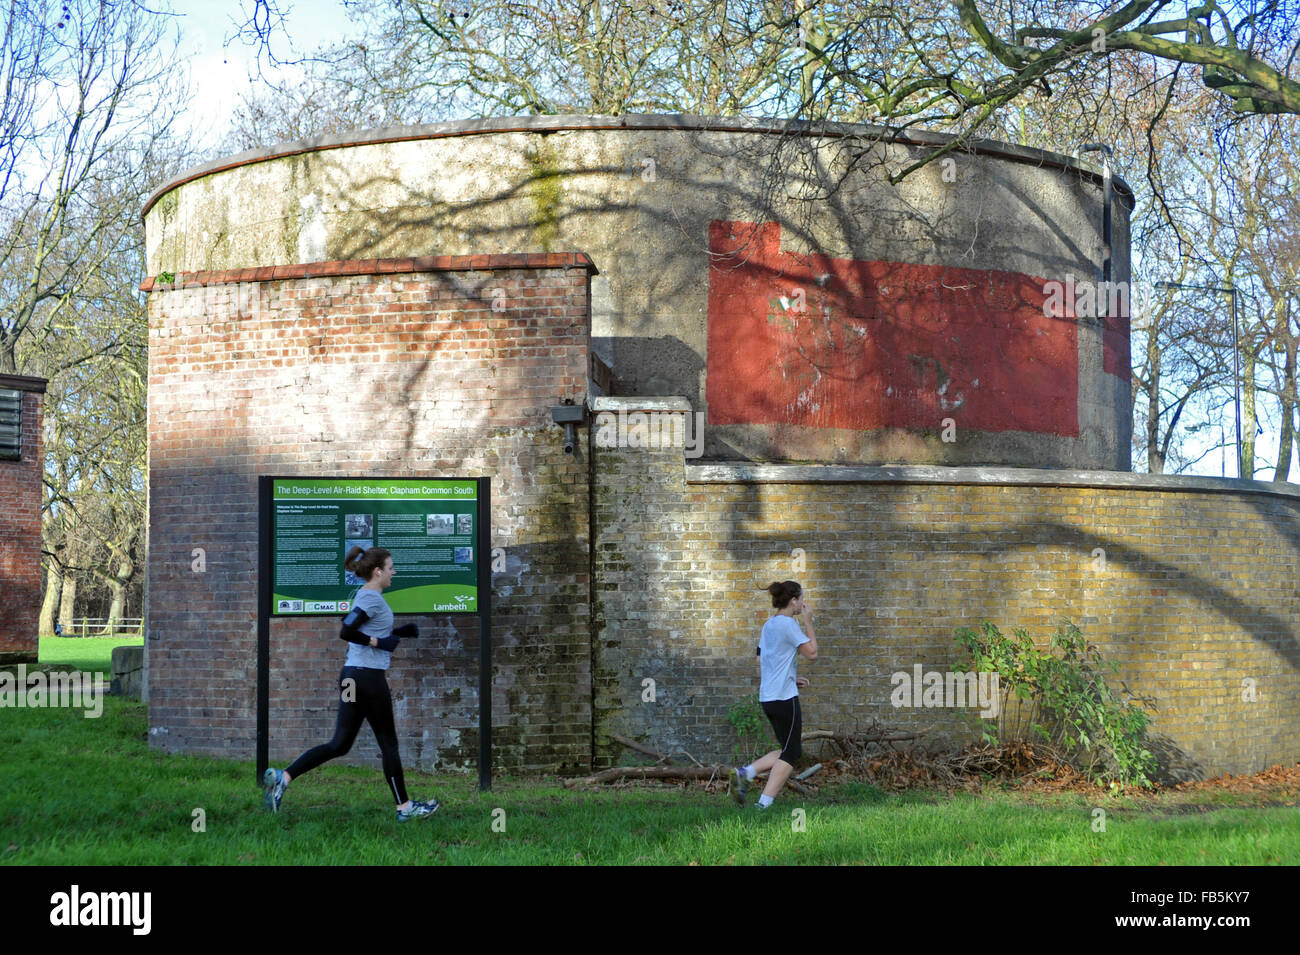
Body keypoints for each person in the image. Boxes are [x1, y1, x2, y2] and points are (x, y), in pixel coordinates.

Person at [261, 546, 438, 822]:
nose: (394, 572)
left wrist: (397, 633)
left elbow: (364, 627)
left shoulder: (366, 596)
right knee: (388, 744)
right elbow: (347, 630)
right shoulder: (371, 598)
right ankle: (405, 808)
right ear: (378, 571)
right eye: (390, 568)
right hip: (368, 679)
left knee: (340, 744)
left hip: (350, 678)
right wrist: (378, 642)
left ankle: (283, 778)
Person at [732, 580, 818, 809]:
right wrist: (808, 622)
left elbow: (760, 659)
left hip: (768, 697)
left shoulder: (769, 625)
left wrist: (790, 676)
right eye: (801, 599)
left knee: (786, 749)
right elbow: (812, 653)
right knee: (791, 753)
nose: (803, 604)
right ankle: (763, 804)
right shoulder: (789, 624)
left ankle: (744, 774)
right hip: (784, 698)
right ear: (793, 601)